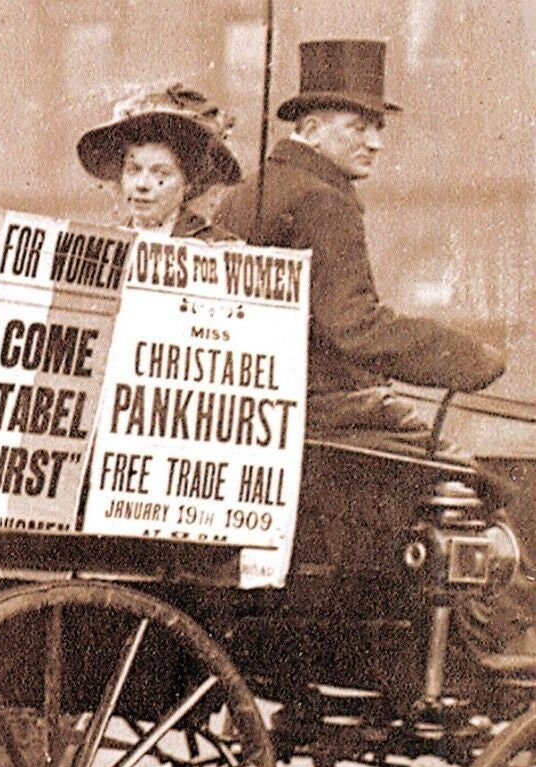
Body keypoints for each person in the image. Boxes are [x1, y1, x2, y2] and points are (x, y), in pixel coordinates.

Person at [215, 39, 522, 655]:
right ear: (310, 127)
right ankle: (496, 642)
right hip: (331, 408)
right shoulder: (323, 202)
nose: (375, 143)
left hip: (264, 403)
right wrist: (470, 357)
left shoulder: (246, 193)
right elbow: (354, 325)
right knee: (477, 485)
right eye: (360, 126)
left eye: (377, 128)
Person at [76, 82, 242, 238]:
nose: (142, 185)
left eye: (161, 173)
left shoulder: (216, 249)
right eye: (133, 170)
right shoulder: (108, 244)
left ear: (188, 183)